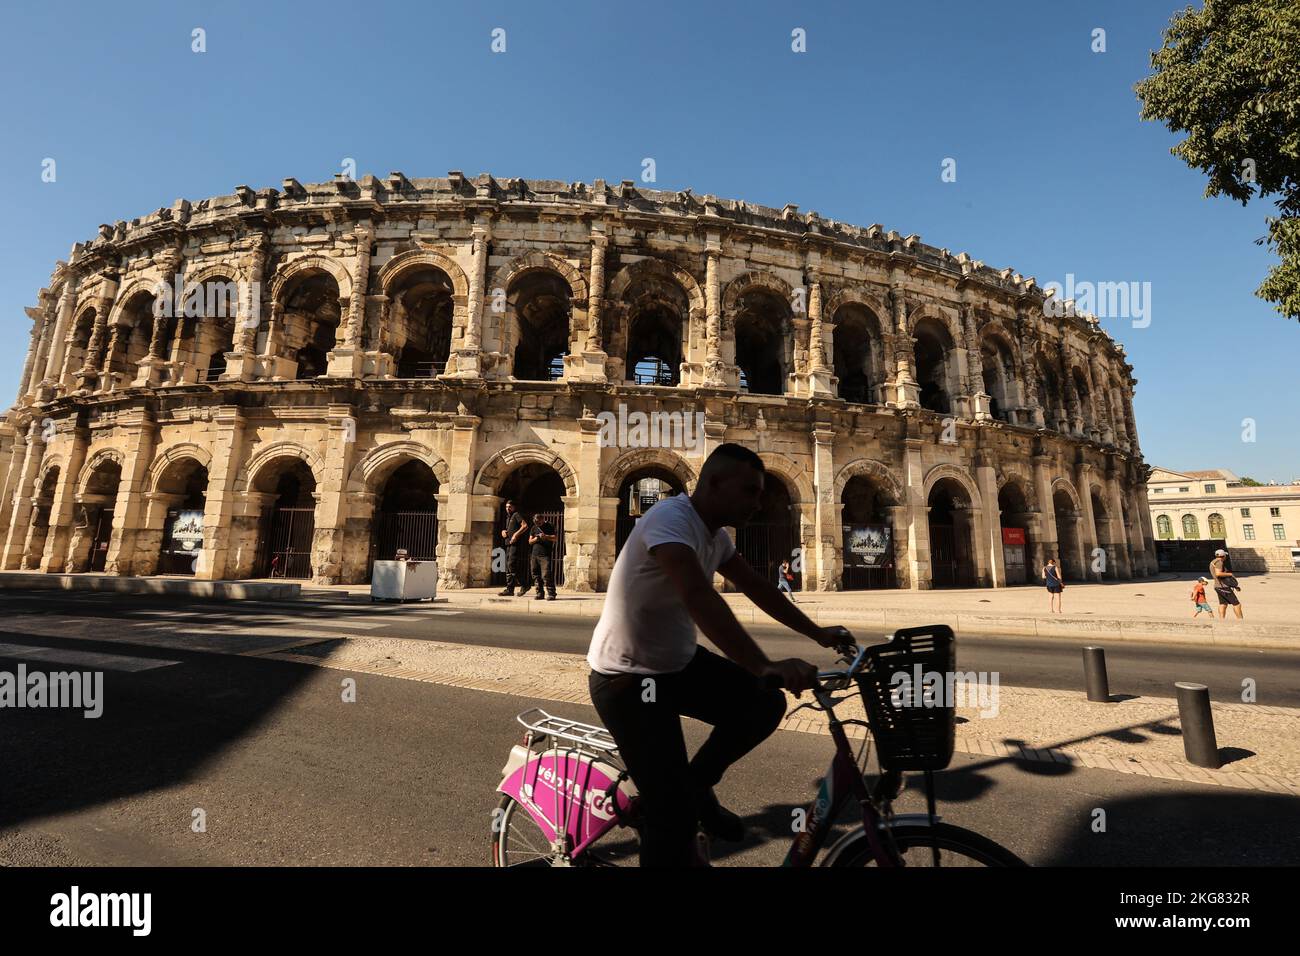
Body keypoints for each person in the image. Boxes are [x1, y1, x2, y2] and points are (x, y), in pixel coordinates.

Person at [586, 442, 850, 867]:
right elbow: (698, 596)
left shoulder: (714, 534)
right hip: (629, 680)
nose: (759, 501)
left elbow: (758, 588)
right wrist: (763, 664)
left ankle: (695, 786)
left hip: (676, 665)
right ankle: (682, 804)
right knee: (670, 820)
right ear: (713, 484)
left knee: (763, 702)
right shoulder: (671, 520)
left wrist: (818, 633)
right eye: (749, 491)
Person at [497, 500, 530, 597]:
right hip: (508, 544)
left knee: (511, 565)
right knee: (507, 567)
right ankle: (509, 589)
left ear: (514, 507)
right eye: (507, 507)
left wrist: (515, 535)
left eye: (510, 507)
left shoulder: (516, 515)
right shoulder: (508, 518)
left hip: (515, 545)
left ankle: (525, 584)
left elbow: (525, 526)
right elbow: (508, 530)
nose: (508, 509)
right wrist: (503, 531)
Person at [528, 513, 558, 600]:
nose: (537, 524)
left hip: (545, 554)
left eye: (538, 522)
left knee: (546, 574)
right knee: (535, 574)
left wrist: (546, 536)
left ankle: (551, 593)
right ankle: (539, 593)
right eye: (535, 522)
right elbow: (530, 541)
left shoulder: (549, 526)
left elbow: (555, 538)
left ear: (542, 519)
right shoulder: (534, 528)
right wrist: (536, 539)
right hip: (534, 554)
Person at [1209, 548, 1243, 620]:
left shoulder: (1213, 562)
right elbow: (1218, 574)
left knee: (1223, 604)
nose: (1226, 557)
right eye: (1225, 555)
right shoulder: (1219, 562)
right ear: (1223, 556)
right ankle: (1240, 620)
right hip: (1223, 586)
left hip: (1218, 586)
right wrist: (1230, 574)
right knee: (1237, 604)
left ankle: (1222, 620)